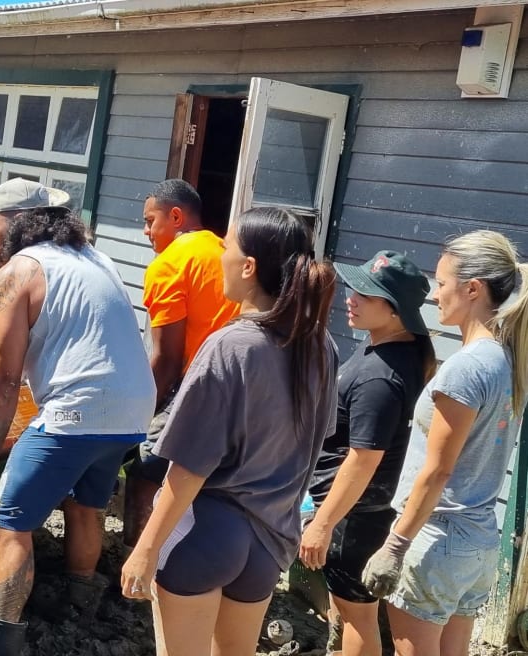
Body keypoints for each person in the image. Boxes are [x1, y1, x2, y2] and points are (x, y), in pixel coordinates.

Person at [121, 207, 338, 656]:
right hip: (270, 542)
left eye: (227, 245)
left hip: (207, 530)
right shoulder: (321, 344)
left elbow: (190, 466)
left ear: (249, 266)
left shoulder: (230, 345)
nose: (219, 254)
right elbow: (317, 439)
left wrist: (145, 548)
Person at [0, 178, 155, 654]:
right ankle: (81, 602)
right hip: (133, 411)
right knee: (86, 506)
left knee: (5, 523)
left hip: (78, 410)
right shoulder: (95, 257)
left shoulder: (20, 270)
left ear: (17, 223)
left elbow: (3, 378)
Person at [361, 230, 528, 656]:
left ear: (473, 288)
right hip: (478, 541)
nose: (435, 296)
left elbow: (438, 470)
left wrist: (394, 547)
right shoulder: (507, 360)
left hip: (438, 540)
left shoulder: (465, 369)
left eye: (441, 283)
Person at [299, 251, 434, 656]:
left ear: (394, 311)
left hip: (355, 517)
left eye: (365, 293)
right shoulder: (394, 350)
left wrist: (323, 523)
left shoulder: (380, 376)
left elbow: (364, 458)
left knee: (356, 613)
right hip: (359, 511)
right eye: (353, 288)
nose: (349, 298)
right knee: (352, 608)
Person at [125, 179, 240, 546]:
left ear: (175, 216)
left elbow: (168, 359)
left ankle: (135, 569)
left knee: (145, 470)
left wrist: (139, 415)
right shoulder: (222, 249)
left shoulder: (169, 264)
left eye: (150, 220)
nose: (145, 231)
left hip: (199, 384)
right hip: (241, 387)